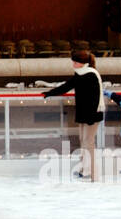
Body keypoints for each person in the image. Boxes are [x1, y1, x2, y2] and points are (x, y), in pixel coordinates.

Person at [41, 50, 105, 181]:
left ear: (82, 63)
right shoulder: (79, 74)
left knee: (89, 142)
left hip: (92, 114)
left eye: (75, 62)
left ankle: (94, 174)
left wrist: (92, 116)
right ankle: (85, 169)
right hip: (83, 112)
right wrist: (49, 93)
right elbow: (66, 86)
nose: (73, 64)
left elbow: (95, 96)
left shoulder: (91, 75)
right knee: (83, 140)